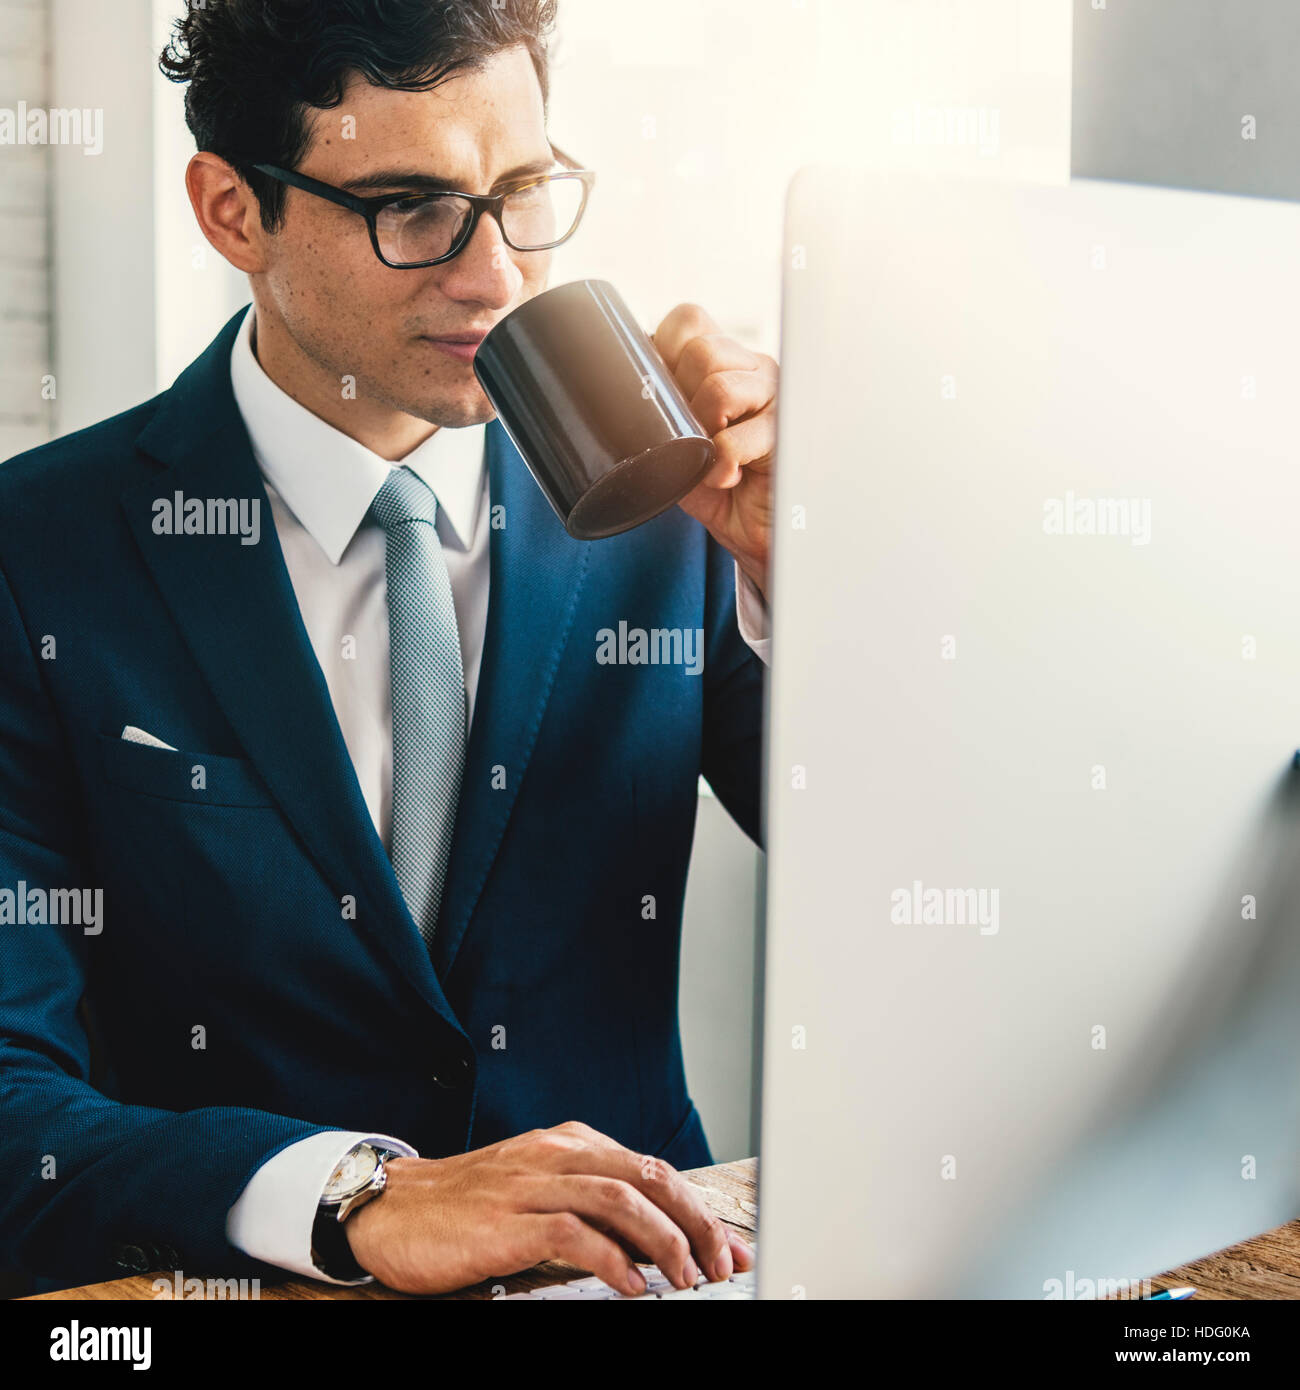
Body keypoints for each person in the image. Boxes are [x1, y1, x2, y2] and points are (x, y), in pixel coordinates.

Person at [0, 0, 776, 1298]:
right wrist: (358, 1193)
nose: (495, 279)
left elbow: (915, 899)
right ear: (231, 210)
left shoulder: (666, 503)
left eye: (524, 192)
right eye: (412, 209)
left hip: (659, 1279)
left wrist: (787, 564)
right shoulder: (39, 555)